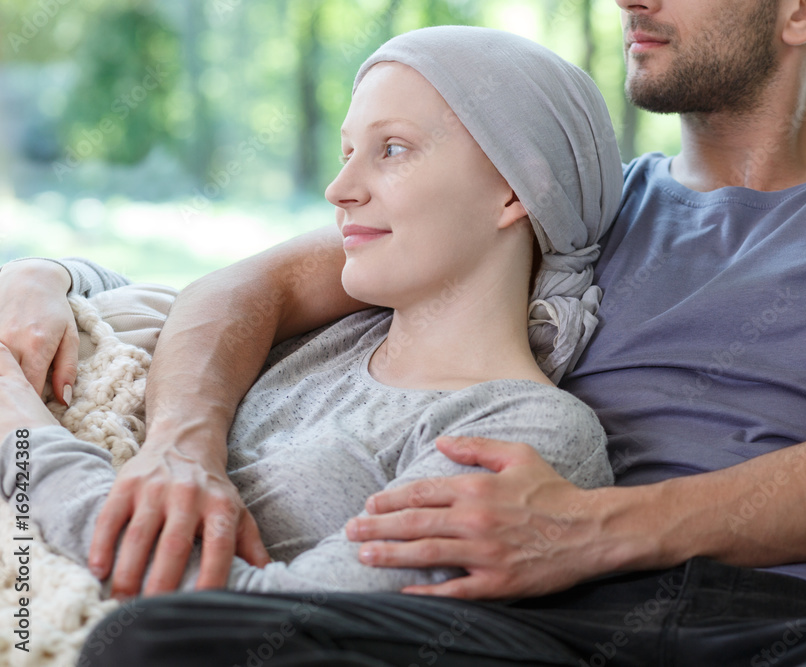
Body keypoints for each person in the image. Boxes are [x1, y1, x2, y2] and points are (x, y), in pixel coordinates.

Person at [4, 0, 806, 664]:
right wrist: (72, 299)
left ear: (804, 8)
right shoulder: (579, 201)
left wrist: (596, 529)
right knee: (166, 640)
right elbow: (248, 287)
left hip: (796, 626)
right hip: (547, 624)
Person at [0, 25, 622, 594]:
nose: (339, 190)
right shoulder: (324, 331)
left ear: (516, 189)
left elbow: (265, 625)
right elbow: (155, 306)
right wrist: (45, 274)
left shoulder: (524, 433)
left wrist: (22, 438)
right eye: (347, 151)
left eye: (393, 149)